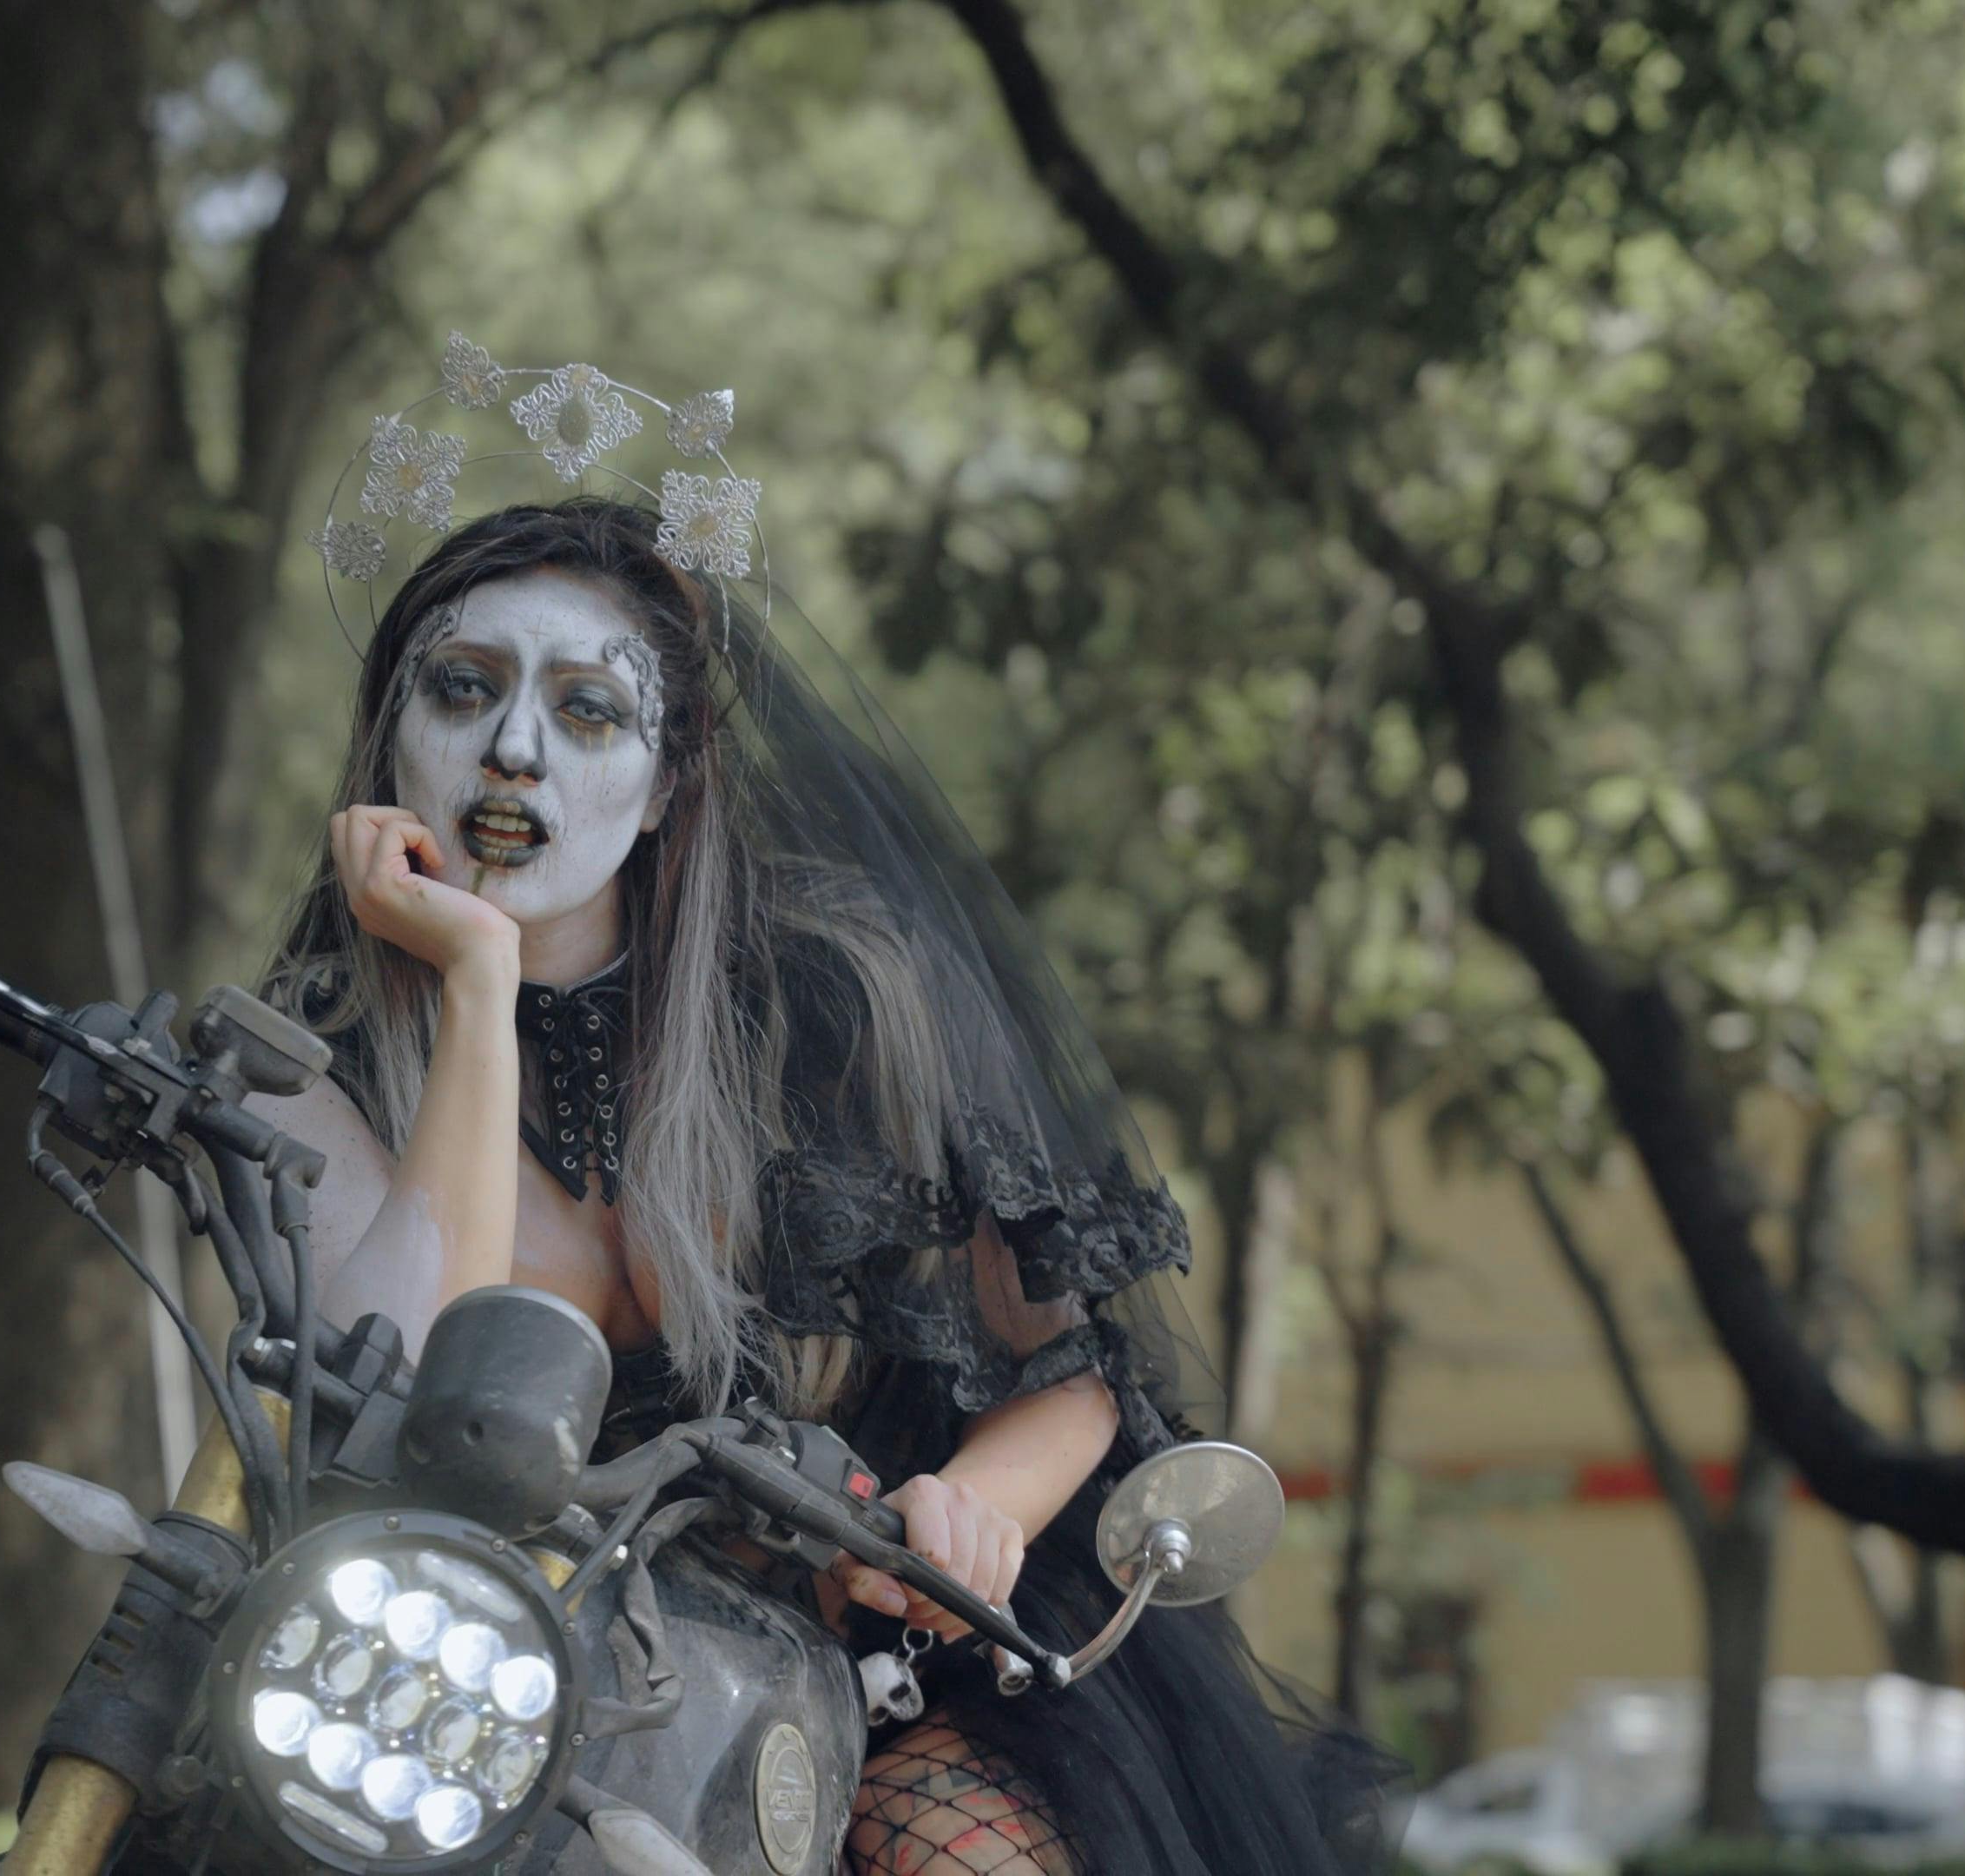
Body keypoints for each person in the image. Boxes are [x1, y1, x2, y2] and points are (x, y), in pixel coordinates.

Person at [258, 452, 1385, 1876]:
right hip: (487, 1697)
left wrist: (972, 1516)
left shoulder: (836, 998)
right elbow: (396, 1406)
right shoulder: (310, 1062)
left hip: (894, 1662)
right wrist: (473, 984)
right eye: (463, 689)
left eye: (587, 707)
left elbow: (1072, 1368)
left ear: (668, 782)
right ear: (390, 740)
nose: (516, 754)